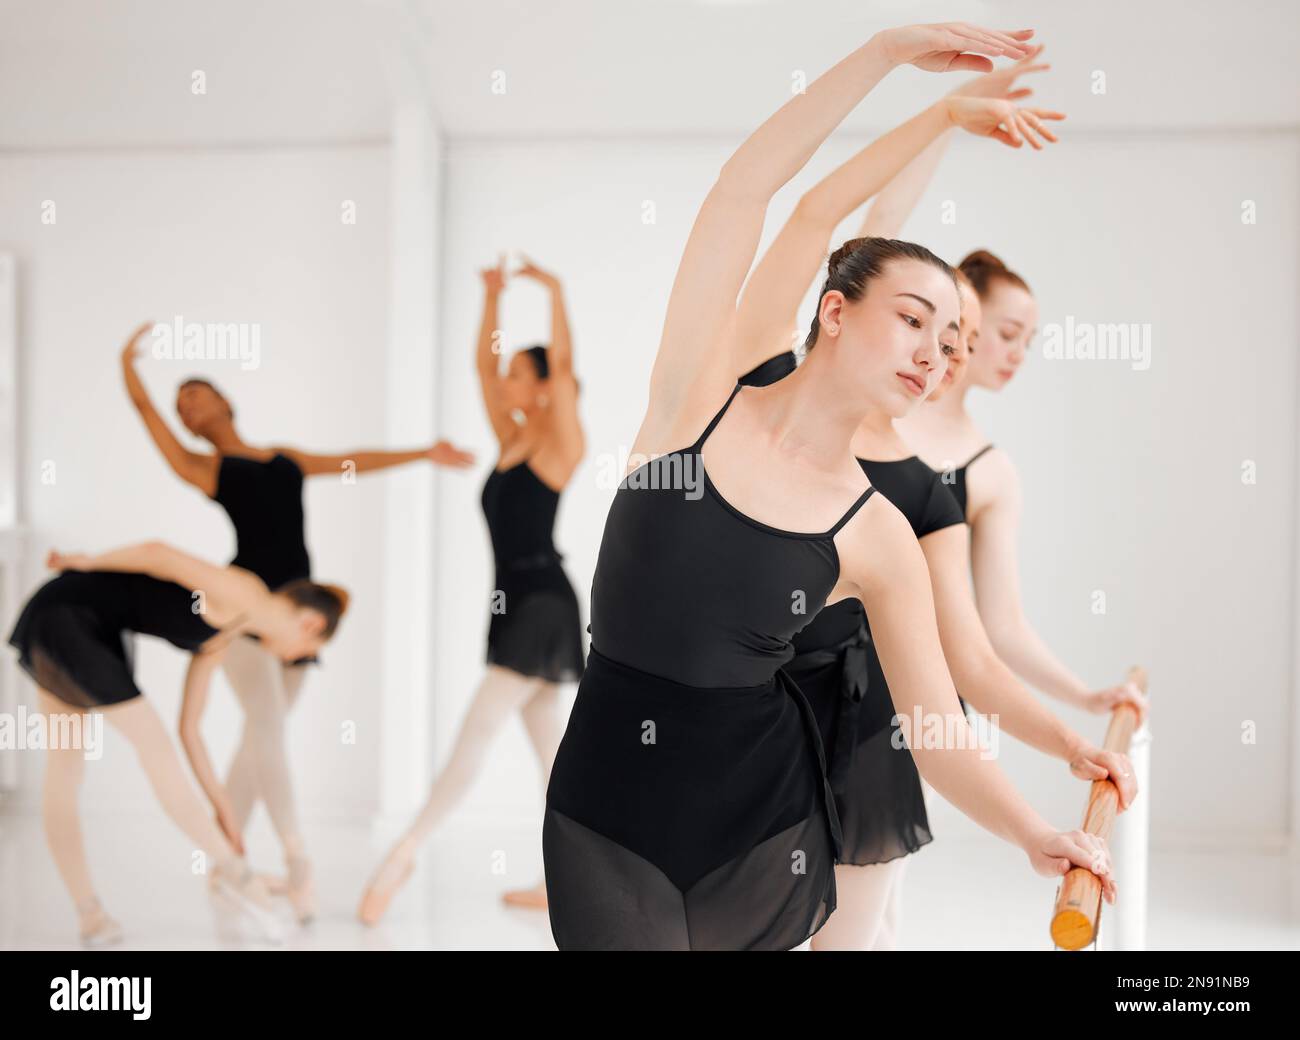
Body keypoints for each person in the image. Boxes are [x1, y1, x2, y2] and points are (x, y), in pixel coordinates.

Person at [542, 22, 1116, 951]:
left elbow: (936, 718)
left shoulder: (878, 529)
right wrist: (892, 60)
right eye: (915, 319)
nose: (936, 354)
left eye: (949, 343)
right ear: (836, 313)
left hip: (762, 834)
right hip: (601, 820)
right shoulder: (698, 397)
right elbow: (758, 193)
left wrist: (1033, 831)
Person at [121, 323, 473, 920]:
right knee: (267, 725)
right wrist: (128, 365)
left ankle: (222, 864)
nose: (188, 406)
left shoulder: (284, 461)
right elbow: (146, 417)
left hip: (301, 620)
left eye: (197, 393)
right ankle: (297, 860)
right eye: (182, 406)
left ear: (226, 401)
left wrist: (423, 453)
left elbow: (351, 462)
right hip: (244, 611)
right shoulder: (208, 469)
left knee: (262, 739)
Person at [358, 257, 586, 924]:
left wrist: (554, 290)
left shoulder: (561, 440)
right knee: (553, 755)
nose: (507, 380)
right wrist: (490, 299)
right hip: (521, 602)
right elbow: (481, 371)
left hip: (541, 604)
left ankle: (404, 852)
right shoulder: (513, 440)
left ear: (544, 387)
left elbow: (565, 368)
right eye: (511, 370)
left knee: (477, 730)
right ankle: (568, 883)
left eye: (522, 372)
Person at [9, 540, 348, 945]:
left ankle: (91, 917)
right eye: (309, 651)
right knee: (149, 749)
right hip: (69, 616)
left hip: (84, 624)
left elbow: (191, 729)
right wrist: (88, 560)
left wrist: (224, 811)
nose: (298, 657)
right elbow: (159, 555)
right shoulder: (244, 593)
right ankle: (237, 875)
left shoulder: (223, 636)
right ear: (311, 624)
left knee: (66, 768)